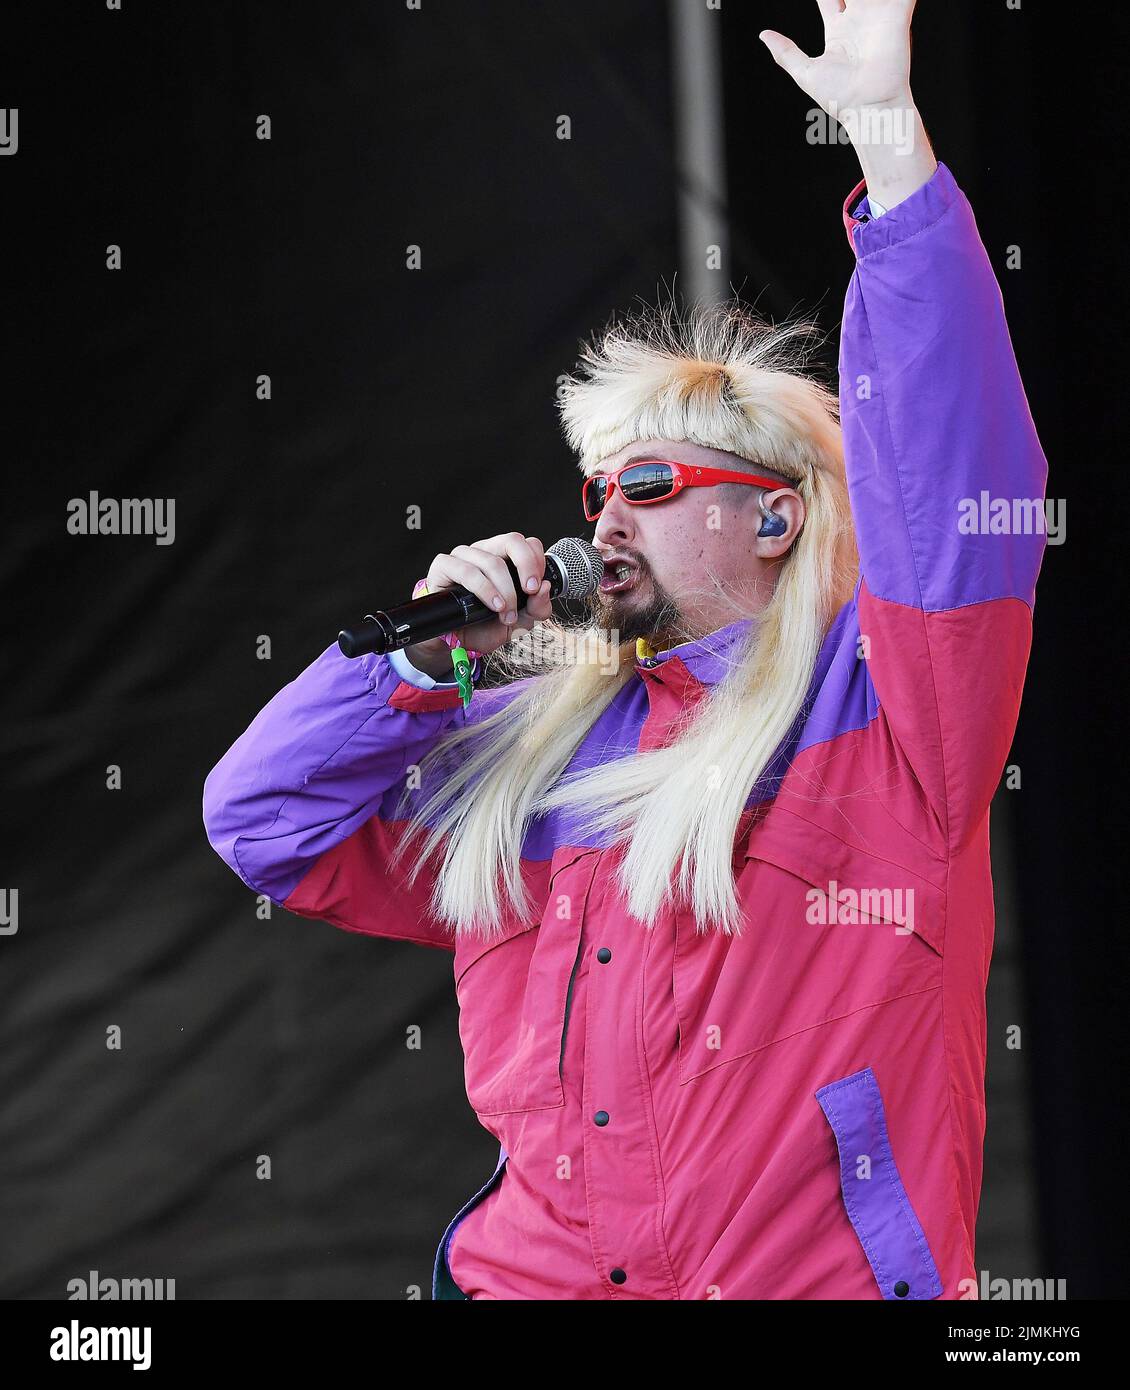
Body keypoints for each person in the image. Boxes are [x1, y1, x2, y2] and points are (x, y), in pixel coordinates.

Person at [202, 0, 1047, 1299]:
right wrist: (421, 672)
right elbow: (260, 817)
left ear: (771, 513)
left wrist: (886, 142)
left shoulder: (886, 704)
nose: (602, 514)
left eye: (644, 478)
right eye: (593, 486)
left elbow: (950, 473)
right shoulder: (538, 744)